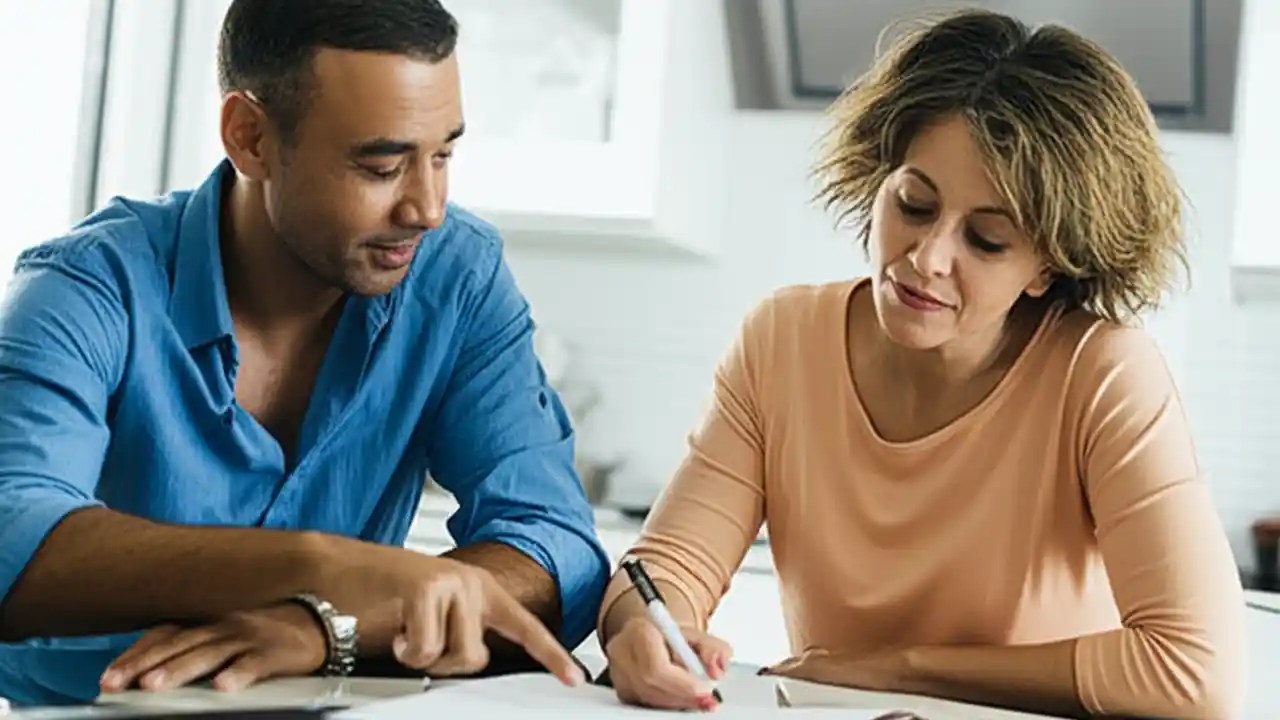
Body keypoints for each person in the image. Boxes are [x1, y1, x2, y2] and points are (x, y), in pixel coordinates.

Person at [598, 9, 1244, 719]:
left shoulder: (1104, 375)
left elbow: (1194, 672)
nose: (928, 258)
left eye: (988, 240)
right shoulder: (782, 340)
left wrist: (900, 667)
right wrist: (639, 627)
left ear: (1048, 267)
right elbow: (664, 569)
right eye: (913, 203)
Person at [0, 0, 608, 706]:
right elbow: (11, 531)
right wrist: (320, 567)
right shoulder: (86, 286)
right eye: (383, 165)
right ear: (250, 136)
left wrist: (324, 622)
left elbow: (554, 544)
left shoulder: (457, 278)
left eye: (442, 155)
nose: (427, 207)